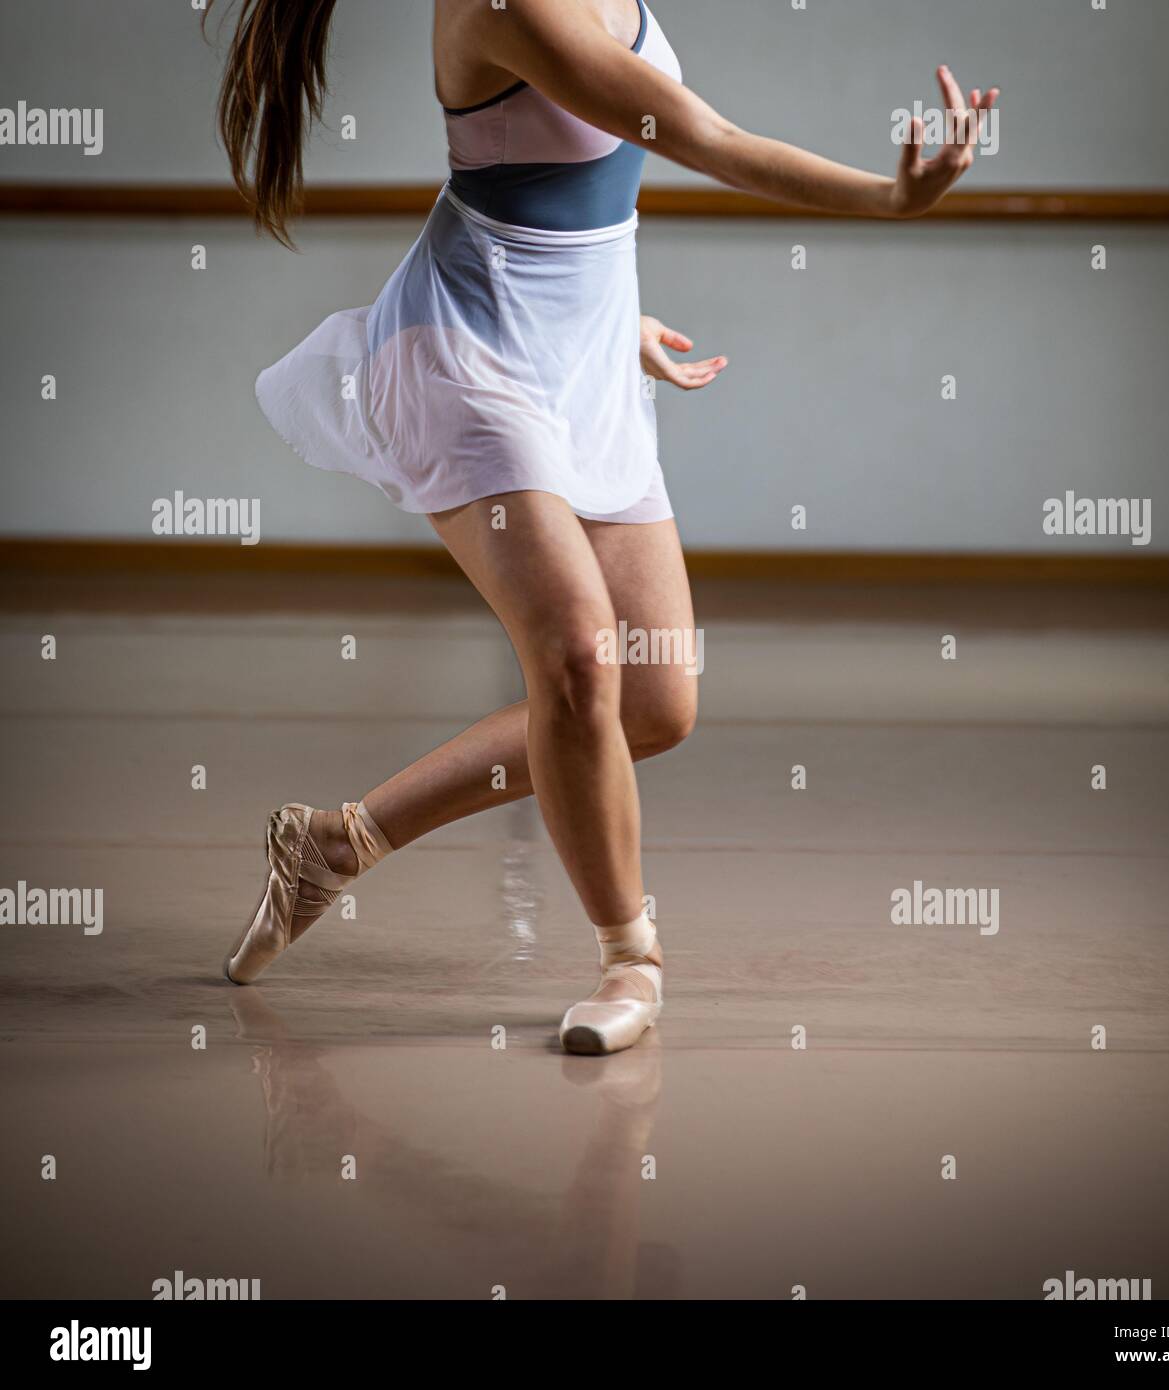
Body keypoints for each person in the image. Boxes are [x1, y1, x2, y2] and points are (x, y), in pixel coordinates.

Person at [211, 0, 997, 1053]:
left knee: (656, 697)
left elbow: (551, 167)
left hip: (577, 355)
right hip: (467, 349)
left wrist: (603, 319)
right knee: (580, 656)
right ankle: (632, 958)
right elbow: (697, 136)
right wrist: (892, 196)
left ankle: (337, 842)